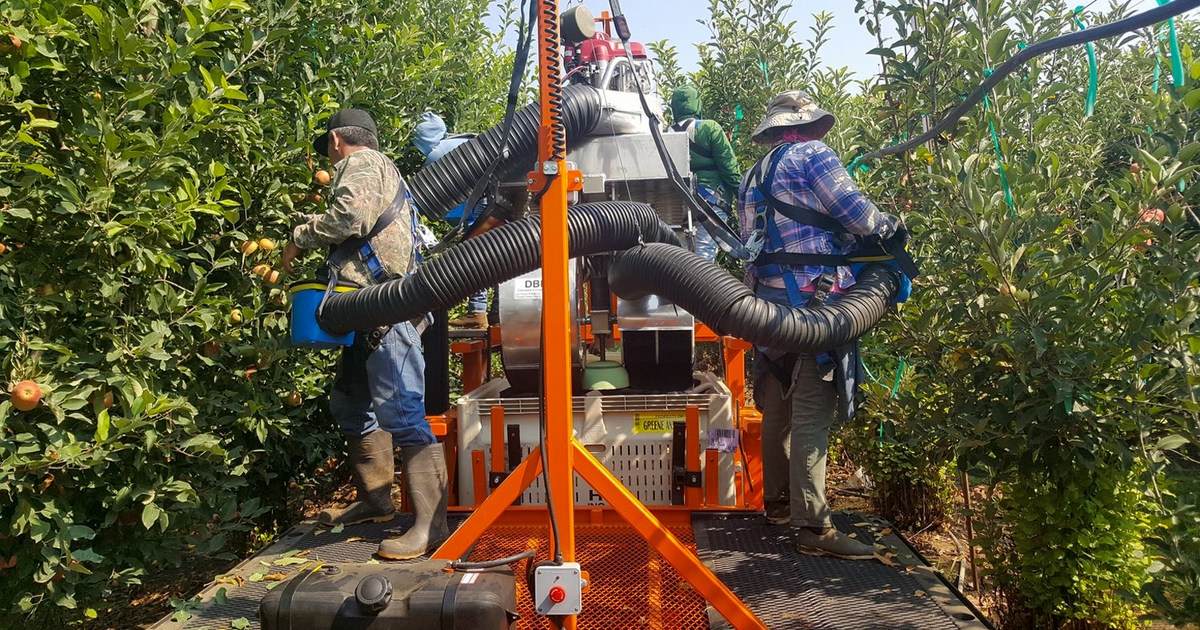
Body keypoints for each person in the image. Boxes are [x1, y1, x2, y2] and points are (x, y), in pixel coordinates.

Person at [738, 90, 904, 561]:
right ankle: (814, 528)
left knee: (778, 405)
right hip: (817, 302)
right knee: (812, 405)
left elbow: (752, 238)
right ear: (808, 126)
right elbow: (855, 212)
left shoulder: (754, 175)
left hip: (765, 307)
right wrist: (887, 224)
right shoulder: (814, 154)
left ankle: (778, 504)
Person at [281, 108, 449, 561]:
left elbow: (349, 218)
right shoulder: (384, 169)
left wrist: (298, 236)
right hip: (364, 312)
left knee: (402, 412)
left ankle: (432, 526)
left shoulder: (359, 163)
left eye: (329, 148)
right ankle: (376, 500)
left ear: (337, 139)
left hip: (383, 311)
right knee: (351, 404)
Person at [413, 111, 490, 329]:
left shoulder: (436, 155)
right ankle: (492, 312)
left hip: (484, 204)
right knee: (493, 254)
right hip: (498, 200)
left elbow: (427, 198)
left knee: (477, 253)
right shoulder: (460, 141)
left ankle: (477, 311)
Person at [669, 85, 741, 261]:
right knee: (704, 258)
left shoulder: (665, 134)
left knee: (677, 257)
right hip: (711, 201)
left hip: (676, 203)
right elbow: (730, 169)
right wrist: (744, 196)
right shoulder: (710, 128)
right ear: (698, 104)